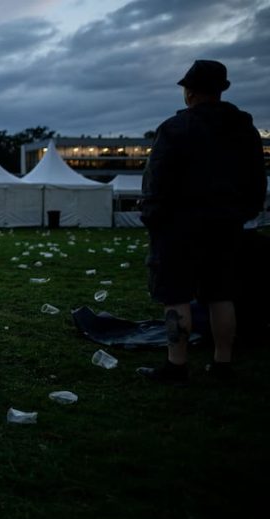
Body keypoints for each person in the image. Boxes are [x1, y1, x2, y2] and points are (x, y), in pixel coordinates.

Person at [136, 60, 266, 384]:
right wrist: (240, 214)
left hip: (178, 227)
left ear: (189, 92)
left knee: (175, 295)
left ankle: (176, 365)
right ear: (220, 91)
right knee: (223, 295)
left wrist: (153, 216)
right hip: (226, 225)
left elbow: (156, 179)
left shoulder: (175, 129)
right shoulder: (245, 131)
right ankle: (223, 364)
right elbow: (256, 181)